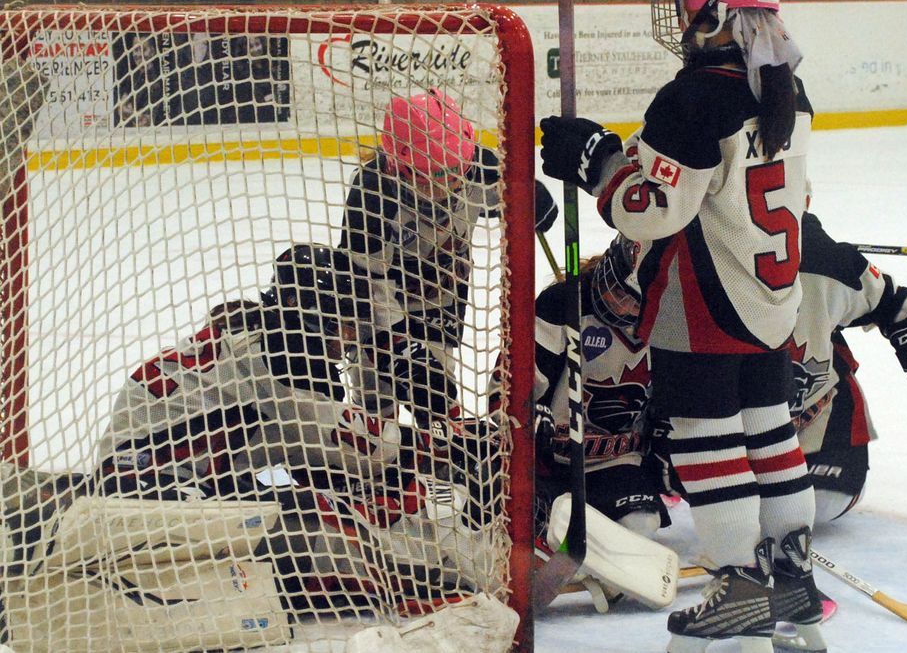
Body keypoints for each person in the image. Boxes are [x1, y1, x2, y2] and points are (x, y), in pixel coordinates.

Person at [539, 0, 822, 653]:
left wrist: (596, 160)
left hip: (704, 299)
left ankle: (734, 580)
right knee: (767, 426)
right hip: (768, 300)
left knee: (705, 437)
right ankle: (789, 570)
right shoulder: (786, 89)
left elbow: (650, 210)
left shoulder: (694, 96)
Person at [93, 243, 494, 616]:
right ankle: (431, 576)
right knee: (327, 522)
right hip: (156, 502)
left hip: (152, 487)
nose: (351, 335)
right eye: (342, 320)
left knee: (321, 499)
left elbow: (317, 459)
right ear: (303, 310)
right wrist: (448, 442)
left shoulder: (260, 335)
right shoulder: (285, 368)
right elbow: (371, 451)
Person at [338, 88, 557, 432]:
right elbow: (365, 284)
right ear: (400, 164)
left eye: (456, 171)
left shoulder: (478, 168)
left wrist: (532, 195)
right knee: (375, 401)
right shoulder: (371, 192)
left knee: (438, 403)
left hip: (440, 304)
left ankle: (438, 456)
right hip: (379, 307)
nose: (449, 184)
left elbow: (517, 194)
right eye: (434, 176)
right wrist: (397, 347)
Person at [530, 235, 668, 609]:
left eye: (636, 303)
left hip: (616, 460)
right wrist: (531, 413)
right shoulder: (563, 304)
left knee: (643, 525)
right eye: (619, 295)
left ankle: (597, 555)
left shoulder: (672, 320)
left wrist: (668, 444)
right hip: (549, 461)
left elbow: (675, 399)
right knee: (527, 532)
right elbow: (515, 381)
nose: (623, 308)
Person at [789, 208, 907, 523]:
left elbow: (890, 300)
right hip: (713, 427)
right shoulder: (686, 257)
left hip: (816, 433)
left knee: (820, 501)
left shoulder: (822, 259)